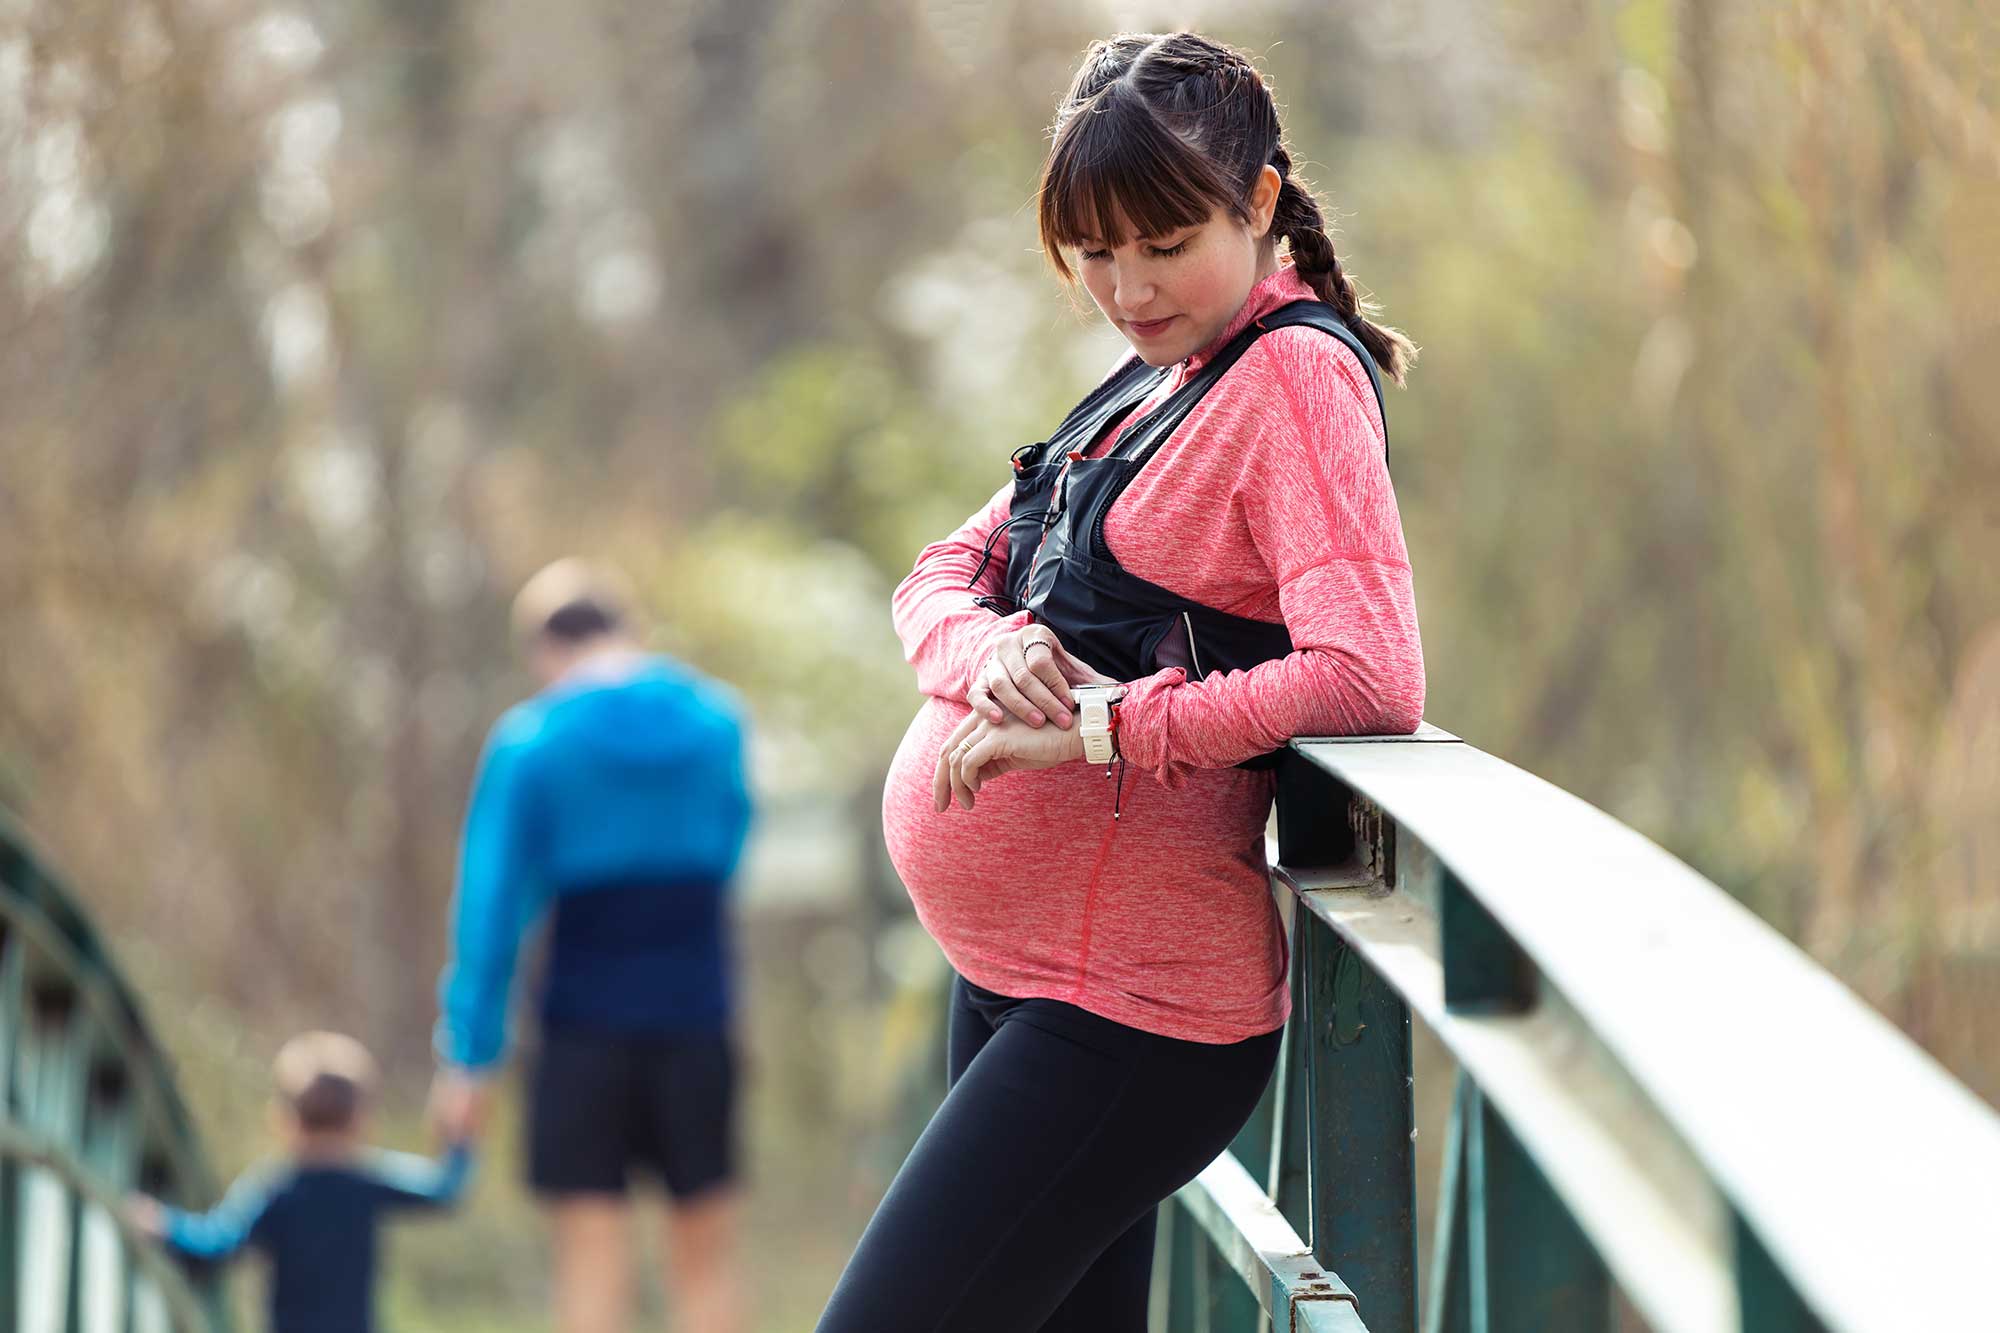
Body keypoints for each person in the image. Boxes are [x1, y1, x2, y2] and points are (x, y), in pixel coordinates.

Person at [819, 31, 1425, 1332]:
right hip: (1022, 974)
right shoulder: (1163, 379)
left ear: (1259, 203)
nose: (1128, 285)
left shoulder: (1296, 380)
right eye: (1095, 251)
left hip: (1128, 1013)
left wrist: (1103, 727)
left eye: (1163, 244)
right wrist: (995, 655)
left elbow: (1368, 674)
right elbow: (937, 573)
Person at [428, 558, 752, 1333]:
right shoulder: (718, 722)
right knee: (703, 1257)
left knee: (589, 1254)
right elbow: (732, 841)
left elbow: (491, 911)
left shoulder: (532, 741)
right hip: (696, 1011)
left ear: (545, 649)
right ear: (625, 626)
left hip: (583, 1025)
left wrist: (471, 1056)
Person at [125, 1031, 472, 1333]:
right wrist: (458, 1138)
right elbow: (444, 1189)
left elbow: (219, 1242)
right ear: (360, 1121)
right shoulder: (368, 1180)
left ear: (284, 1120)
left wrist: (165, 1226)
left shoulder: (275, 1189)